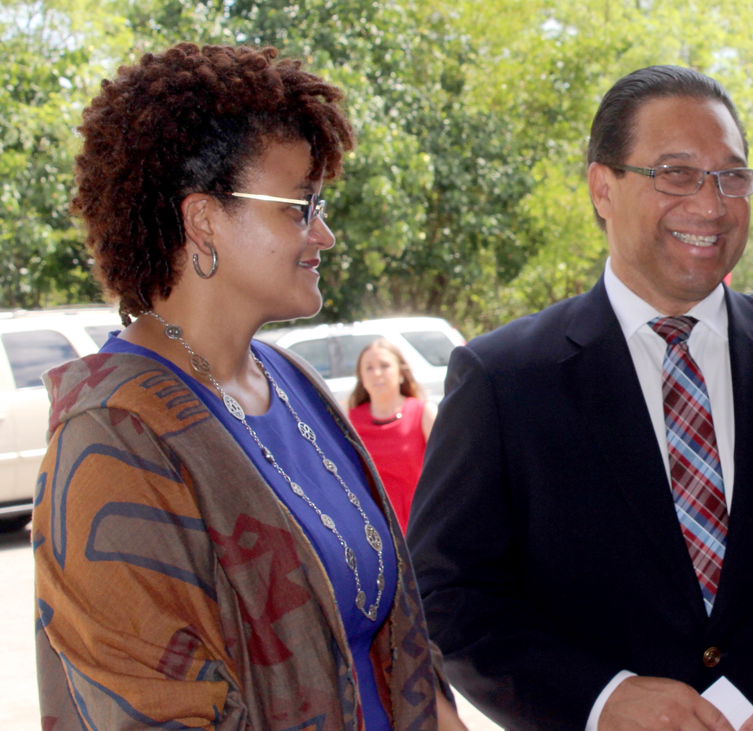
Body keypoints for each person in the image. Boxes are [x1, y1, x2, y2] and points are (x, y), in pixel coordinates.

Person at [410, 65, 753, 731]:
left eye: (732, 176)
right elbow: (448, 598)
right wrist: (600, 700)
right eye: (676, 174)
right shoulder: (503, 380)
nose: (711, 205)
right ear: (603, 188)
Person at [33, 43, 466, 731]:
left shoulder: (291, 382)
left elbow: (404, 652)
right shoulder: (112, 439)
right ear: (202, 220)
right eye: (298, 207)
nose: (323, 233)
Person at [347, 338, 438, 533]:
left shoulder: (423, 413)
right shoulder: (350, 421)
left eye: (385, 365)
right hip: (372, 529)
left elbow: (447, 472)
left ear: (401, 373)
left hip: (420, 526)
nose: (377, 373)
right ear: (361, 377)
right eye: (369, 367)